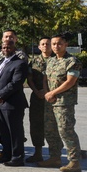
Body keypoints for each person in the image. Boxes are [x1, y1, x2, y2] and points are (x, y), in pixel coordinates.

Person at [44, 35, 82, 172]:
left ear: (66, 44)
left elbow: (70, 81)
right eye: (53, 44)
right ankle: (54, 157)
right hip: (50, 101)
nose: (55, 46)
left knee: (66, 130)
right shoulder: (51, 61)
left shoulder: (72, 61)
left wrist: (53, 93)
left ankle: (74, 161)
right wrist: (47, 93)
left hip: (64, 102)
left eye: (59, 44)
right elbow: (45, 78)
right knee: (50, 130)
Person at [0, 39, 29, 166]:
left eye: (9, 47)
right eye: (3, 48)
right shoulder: (0, 62)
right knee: (3, 131)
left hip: (12, 103)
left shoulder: (20, 63)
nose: (6, 50)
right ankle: (6, 154)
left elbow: (16, 83)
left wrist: (0, 94)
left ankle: (17, 157)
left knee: (15, 131)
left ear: (14, 48)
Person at [26, 37, 60, 165]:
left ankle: (54, 155)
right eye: (43, 44)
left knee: (53, 127)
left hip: (53, 98)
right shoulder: (34, 61)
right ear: (39, 47)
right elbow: (29, 79)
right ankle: (38, 153)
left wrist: (49, 93)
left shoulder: (57, 60)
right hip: (37, 97)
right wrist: (37, 91)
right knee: (36, 125)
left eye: (48, 44)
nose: (45, 46)